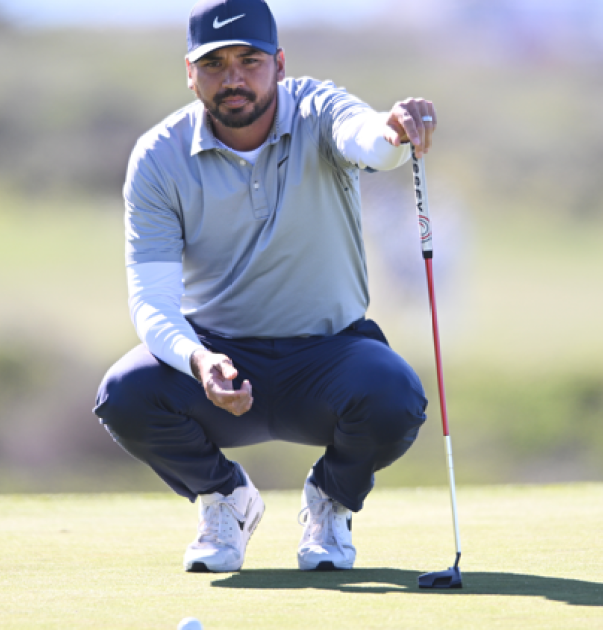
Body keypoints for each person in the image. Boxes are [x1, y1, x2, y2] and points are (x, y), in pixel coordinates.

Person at [92, 0, 438, 574]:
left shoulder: (318, 108)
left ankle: (331, 498)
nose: (232, 79)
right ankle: (225, 497)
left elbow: (369, 142)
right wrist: (198, 360)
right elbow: (151, 302)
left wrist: (394, 129)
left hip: (330, 356)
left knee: (394, 395)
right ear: (189, 72)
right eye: (214, 64)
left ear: (279, 63)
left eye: (249, 61)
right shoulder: (159, 156)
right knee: (125, 394)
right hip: (220, 361)